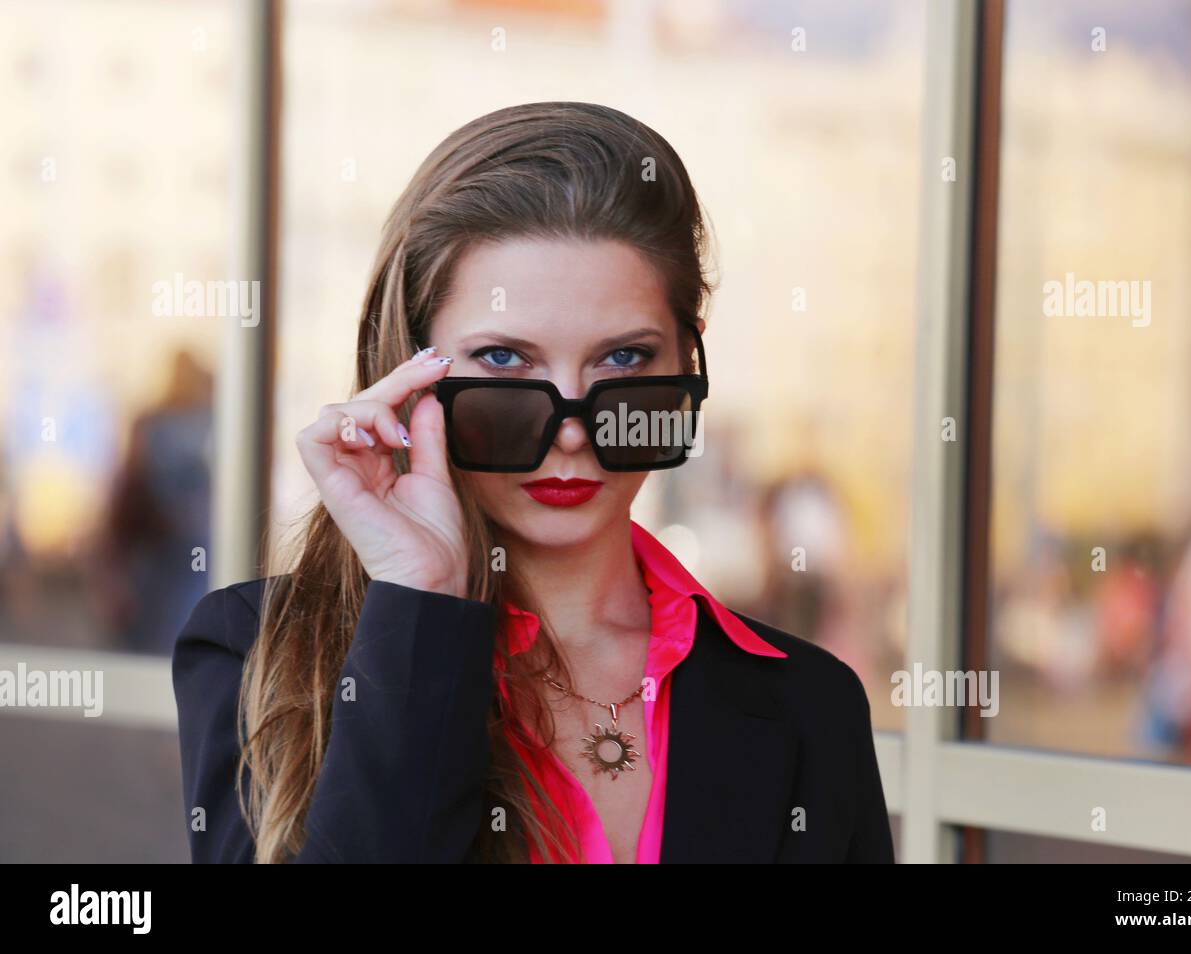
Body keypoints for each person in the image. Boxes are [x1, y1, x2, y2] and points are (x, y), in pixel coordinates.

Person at [172, 102, 893, 864]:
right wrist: (419, 603)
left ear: (688, 366)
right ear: (411, 374)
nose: (573, 429)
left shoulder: (811, 705)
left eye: (622, 361)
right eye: (507, 362)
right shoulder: (255, 653)